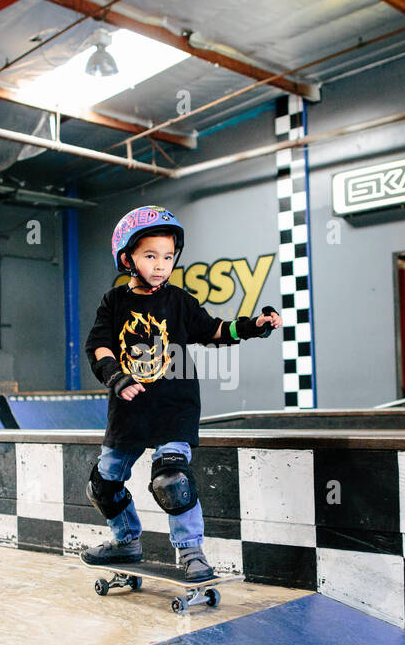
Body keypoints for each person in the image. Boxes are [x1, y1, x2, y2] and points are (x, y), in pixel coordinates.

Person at [82, 205, 282, 581]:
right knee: (102, 485)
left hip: (175, 408)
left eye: (168, 257)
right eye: (151, 256)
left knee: (171, 479)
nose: (161, 264)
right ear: (128, 259)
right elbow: (99, 346)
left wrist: (254, 326)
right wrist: (116, 377)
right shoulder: (114, 302)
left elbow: (215, 330)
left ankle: (192, 552)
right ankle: (126, 541)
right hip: (127, 411)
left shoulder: (180, 302)